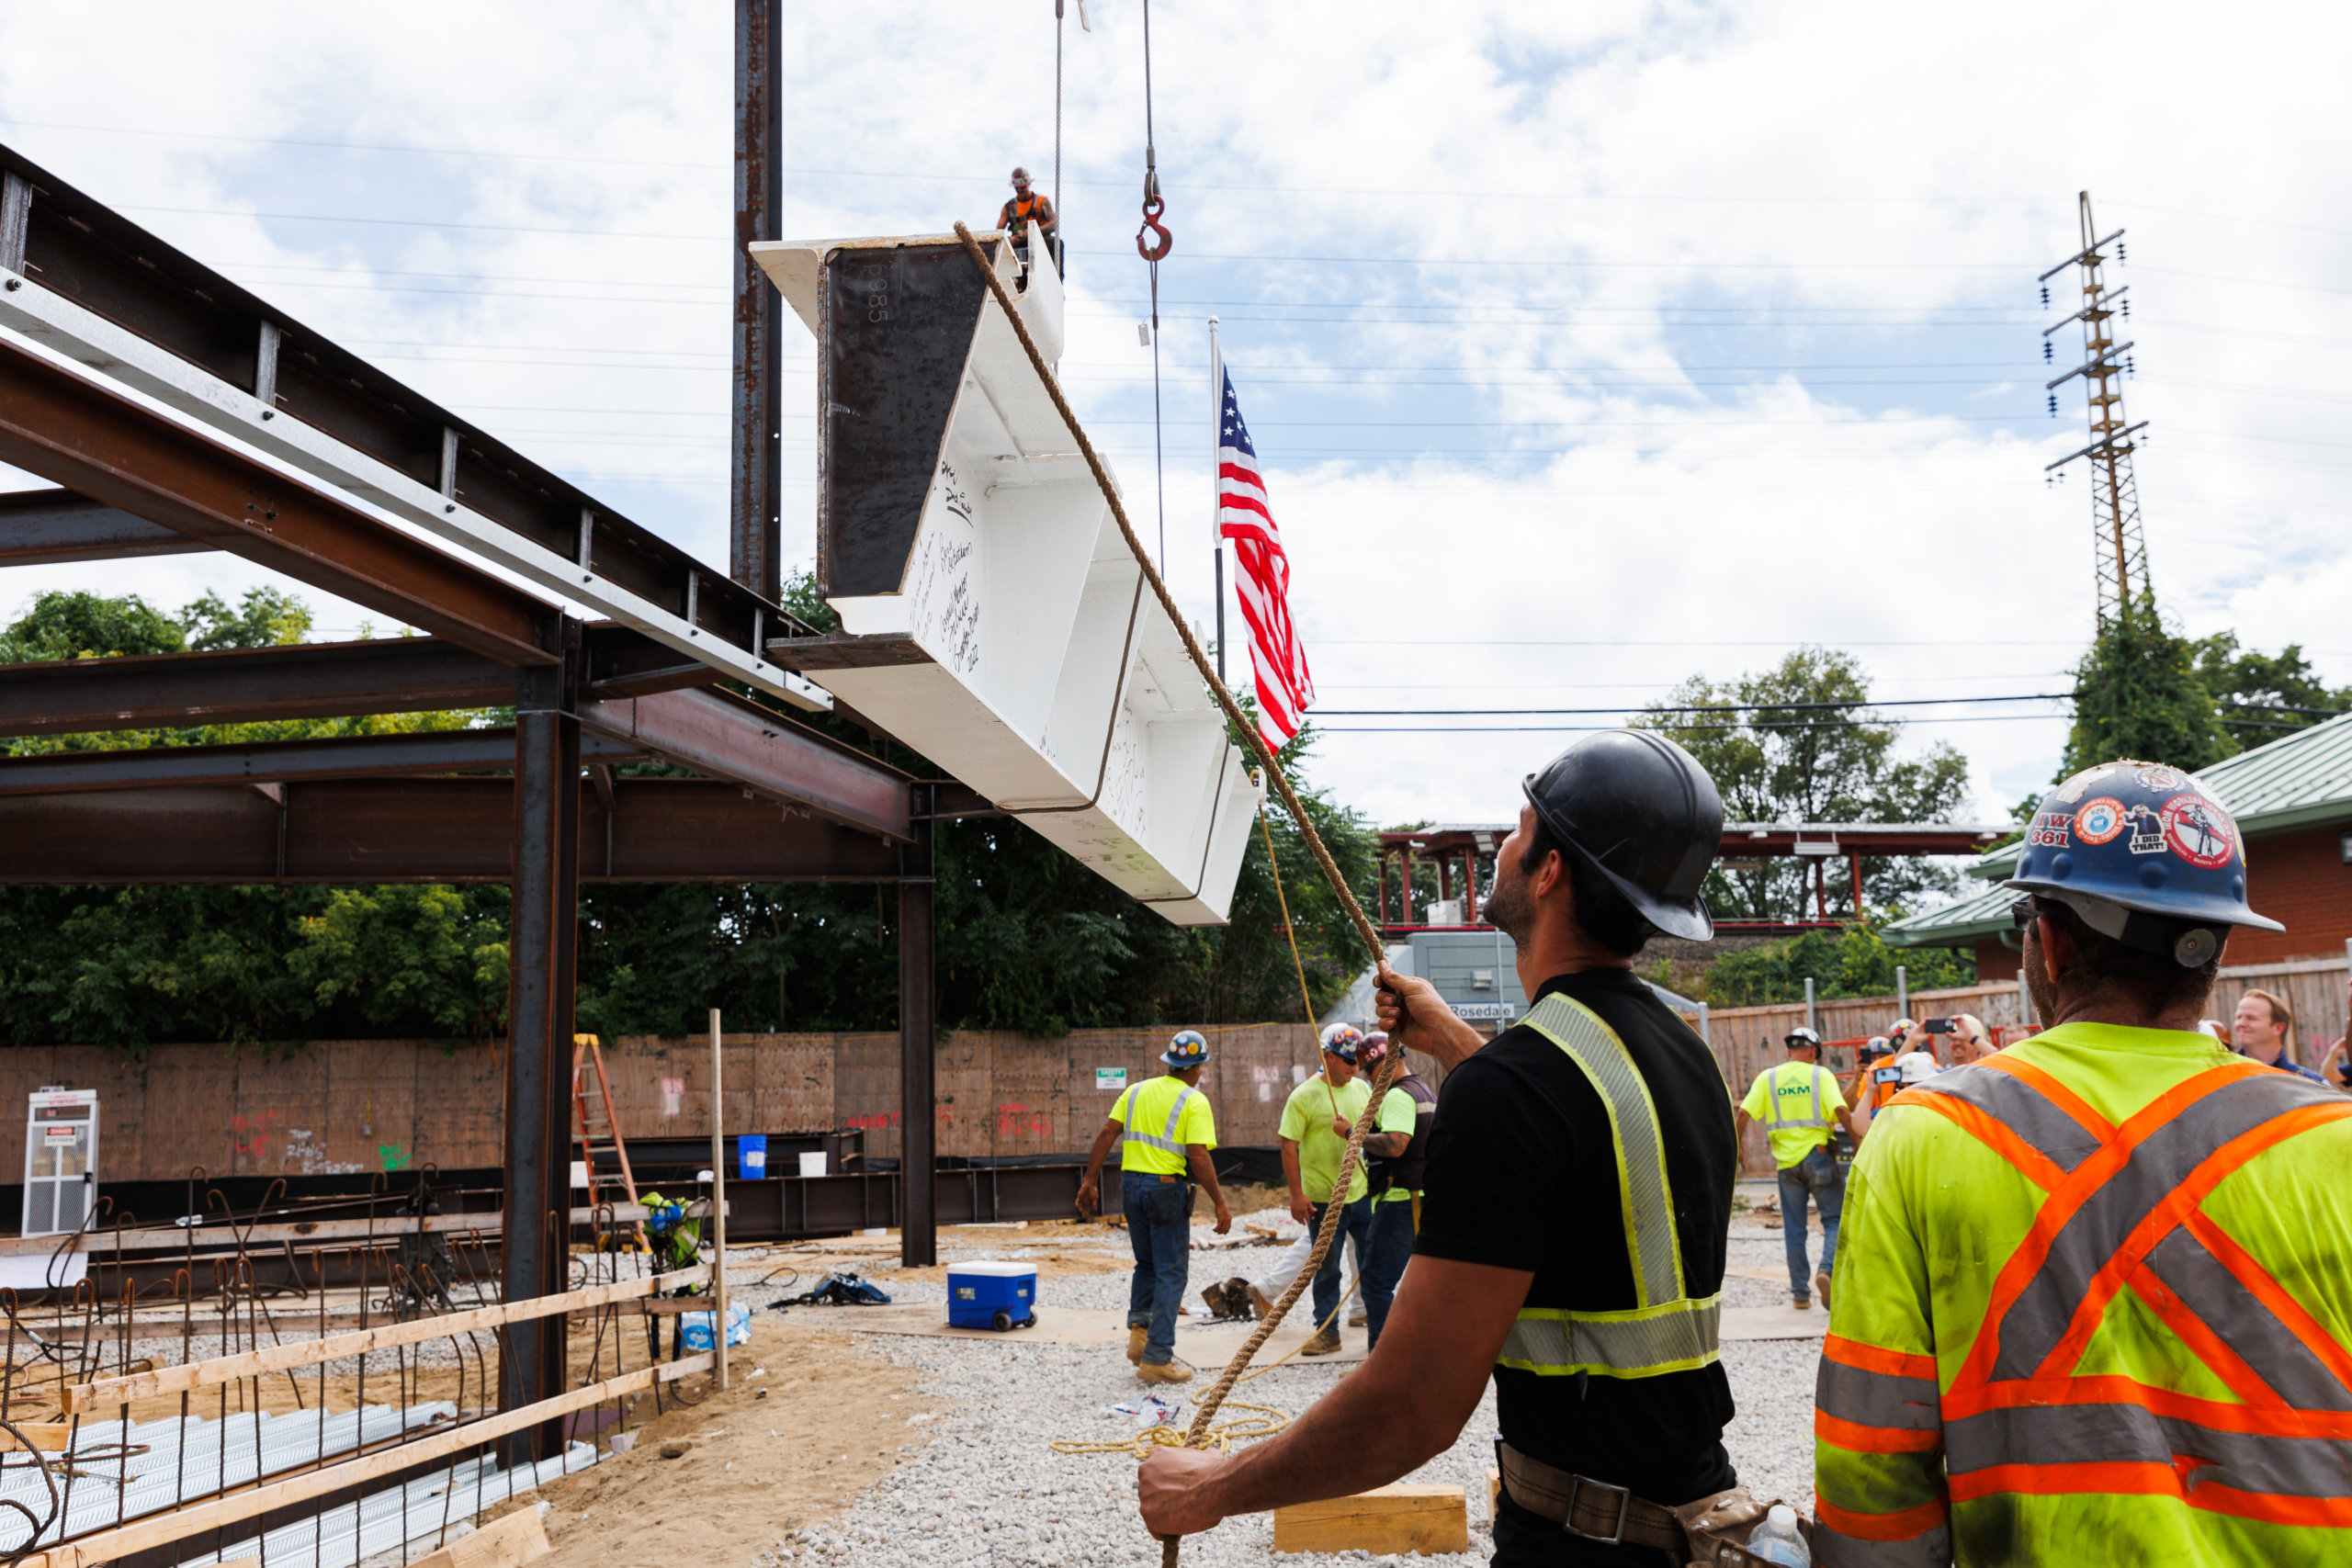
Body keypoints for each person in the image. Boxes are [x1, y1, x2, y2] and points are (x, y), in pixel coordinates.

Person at [1142, 729, 1752, 1567]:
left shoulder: (1519, 1088)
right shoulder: (1684, 1054)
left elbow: (1411, 1407)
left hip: (1581, 1546)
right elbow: (1569, 1128)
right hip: (1693, 1527)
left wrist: (1207, 1487)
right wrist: (1450, 1037)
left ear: (1548, 871)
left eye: (1518, 827)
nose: (1502, 844)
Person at [1816, 760, 2352, 1564]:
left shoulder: (1926, 1132)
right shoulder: (2334, 1135)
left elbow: (1873, 1456)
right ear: (2212, 947)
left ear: (2053, 941)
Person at [1075, 1029, 1232, 1384]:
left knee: (1146, 1266)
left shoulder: (1135, 1091)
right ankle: (1158, 1357)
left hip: (1130, 1187)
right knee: (1171, 1273)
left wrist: (1089, 1182)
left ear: (1169, 1062)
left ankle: (1140, 1340)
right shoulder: (1194, 1100)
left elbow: (1105, 1134)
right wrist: (1220, 1202)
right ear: (1197, 1067)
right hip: (1164, 1192)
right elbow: (1198, 1155)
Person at [1274, 1023, 1407, 1356]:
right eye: (1348, 1061)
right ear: (1329, 1057)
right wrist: (1296, 1195)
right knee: (1327, 1267)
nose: (1354, 1068)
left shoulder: (1363, 1089)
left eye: (1357, 1063)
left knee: (1372, 1264)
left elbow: (1377, 1131)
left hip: (1361, 1193)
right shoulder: (1304, 1096)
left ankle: (1378, 1331)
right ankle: (1327, 1333)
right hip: (1322, 1198)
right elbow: (1288, 1144)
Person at [1734, 1027, 1863, 1310]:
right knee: (1834, 1220)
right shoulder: (1820, 1075)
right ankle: (1826, 1270)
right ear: (1814, 1051)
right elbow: (1841, 1111)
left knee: (1794, 1229)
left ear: (1788, 1050)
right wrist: (1857, 1142)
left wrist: (1737, 1148)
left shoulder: (1769, 1078)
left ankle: (1800, 1295)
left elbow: (1743, 1113)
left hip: (1787, 1165)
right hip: (1819, 1158)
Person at [1355, 1029, 1432, 1345]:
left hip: (1401, 1201)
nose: (1371, 1080)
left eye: (1370, 1071)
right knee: (1417, 1285)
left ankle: (1381, 1362)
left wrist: (1352, 1134)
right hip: (1422, 1198)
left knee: (1376, 1281)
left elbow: (1396, 1144)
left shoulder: (1399, 1096)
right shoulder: (1424, 1091)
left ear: (1384, 1063)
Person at [2233, 987, 2324, 1082]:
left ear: (2278, 1028)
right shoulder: (2220, 1076)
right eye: (2239, 1017)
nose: (2241, 1024)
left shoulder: (2312, 1084)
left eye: (2251, 1018)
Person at [997, 166, 1057, 263]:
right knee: (1000, 249)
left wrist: (1031, 232)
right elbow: (998, 233)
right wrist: (1009, 240)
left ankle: (1057, 275)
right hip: (1018, 242)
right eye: (1018, 188)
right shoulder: (1009, 207)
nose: (1020, 190)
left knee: (1055, 242)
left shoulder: (1042, 202)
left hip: (1040, 240)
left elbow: (1054, 224)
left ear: (1029, 183)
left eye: (1023, 187)